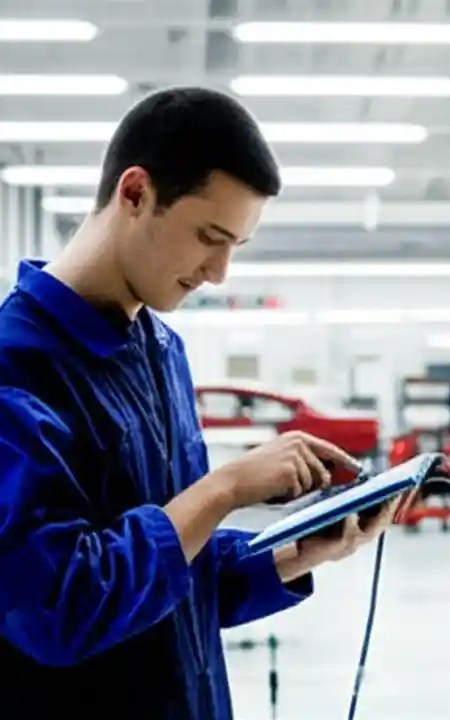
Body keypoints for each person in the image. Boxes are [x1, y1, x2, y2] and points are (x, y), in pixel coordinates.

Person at [0, 87, 408, 718]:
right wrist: (221, 491)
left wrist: (285, 555)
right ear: (135, 194)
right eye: (209, 236)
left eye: (235, 247)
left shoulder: (162, 350)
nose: (218, 272)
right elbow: (57, 608)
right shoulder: (17, 365)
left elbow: (172, 572)